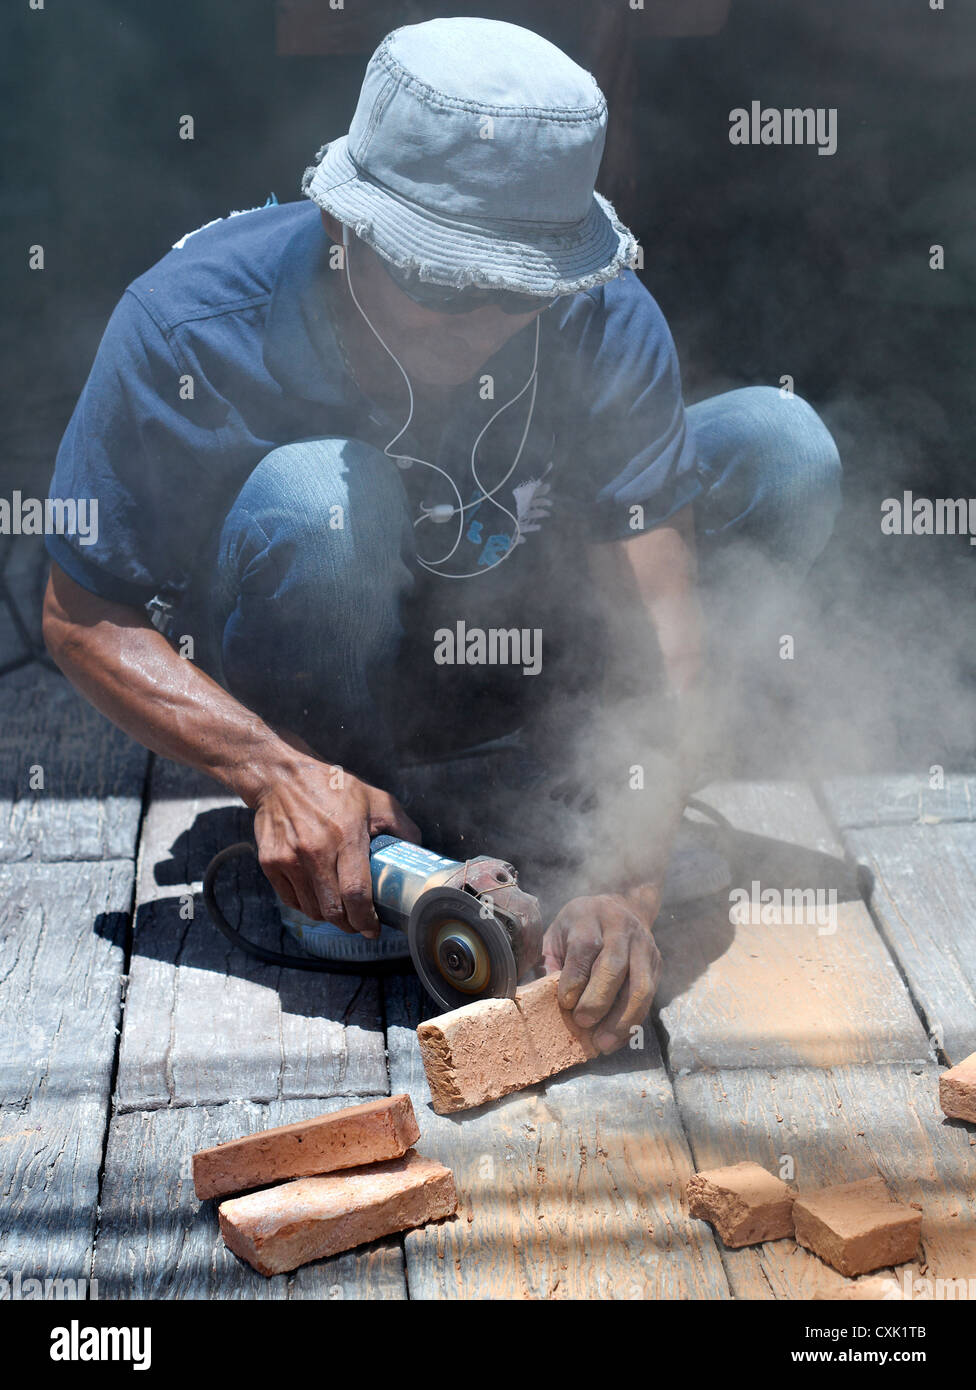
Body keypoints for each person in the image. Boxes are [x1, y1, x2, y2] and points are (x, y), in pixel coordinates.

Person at [42, 17, 841, 1053]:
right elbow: (79, 617)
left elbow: (669, 637)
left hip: (526, 666)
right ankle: (345, 843)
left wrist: (627, 879)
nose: (478, 324)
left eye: (516, 293)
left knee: (780, 448)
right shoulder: (190, 322)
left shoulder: (603, 317)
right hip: (321, 690)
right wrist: (272, 772)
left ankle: (559, 787)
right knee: (315, 498)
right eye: (442, 283)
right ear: (348, 228)